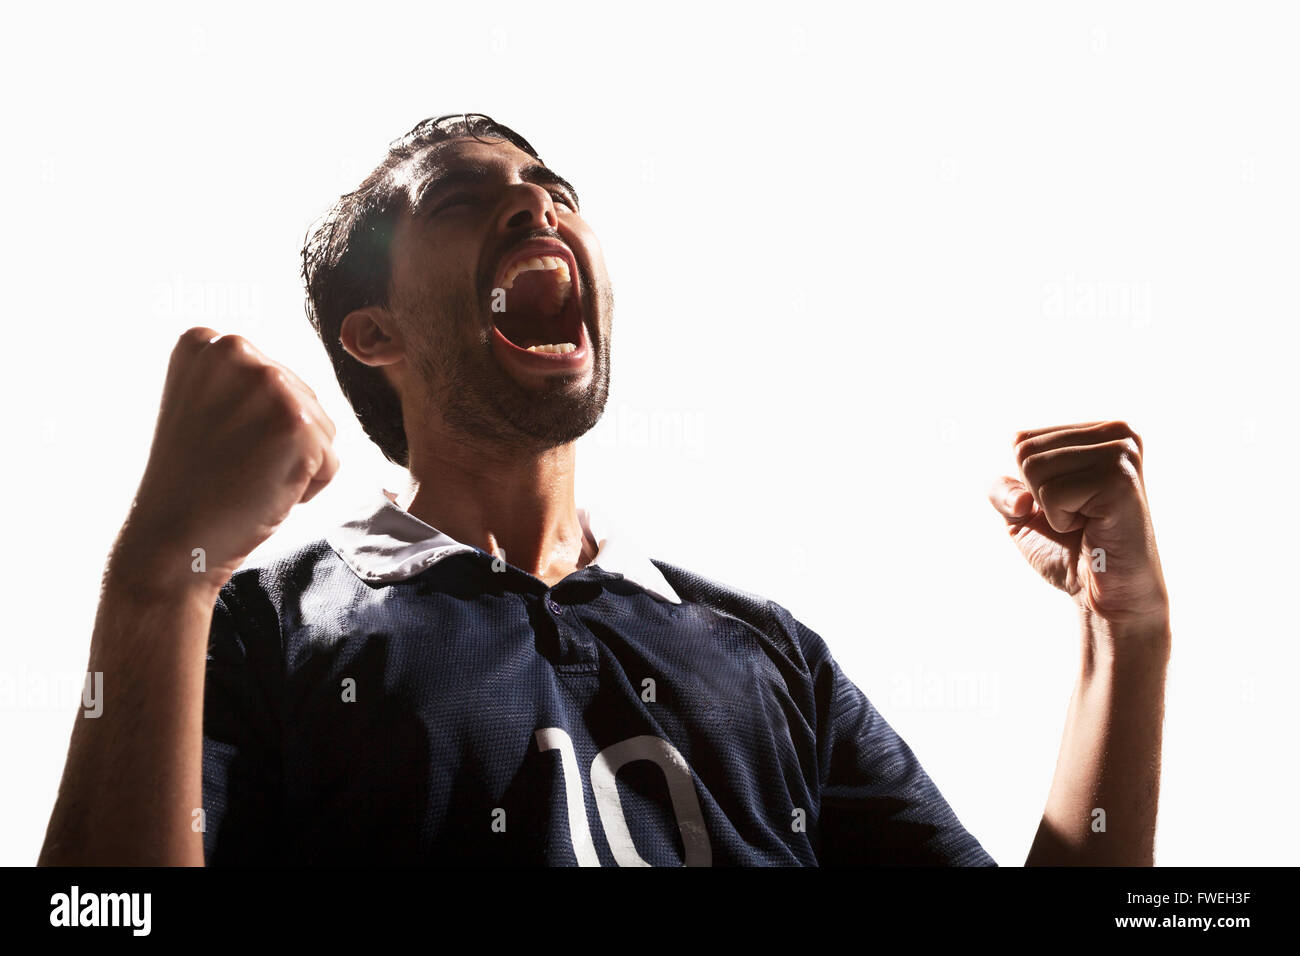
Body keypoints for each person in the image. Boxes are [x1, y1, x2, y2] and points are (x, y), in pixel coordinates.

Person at [38, 114, 1171, 866]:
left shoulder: (768, 651)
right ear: (372, 331)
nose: (538, 207)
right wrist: (156, 575)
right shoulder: (261, 626)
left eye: (553, 188)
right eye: (460, 198)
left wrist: (1124, 636)